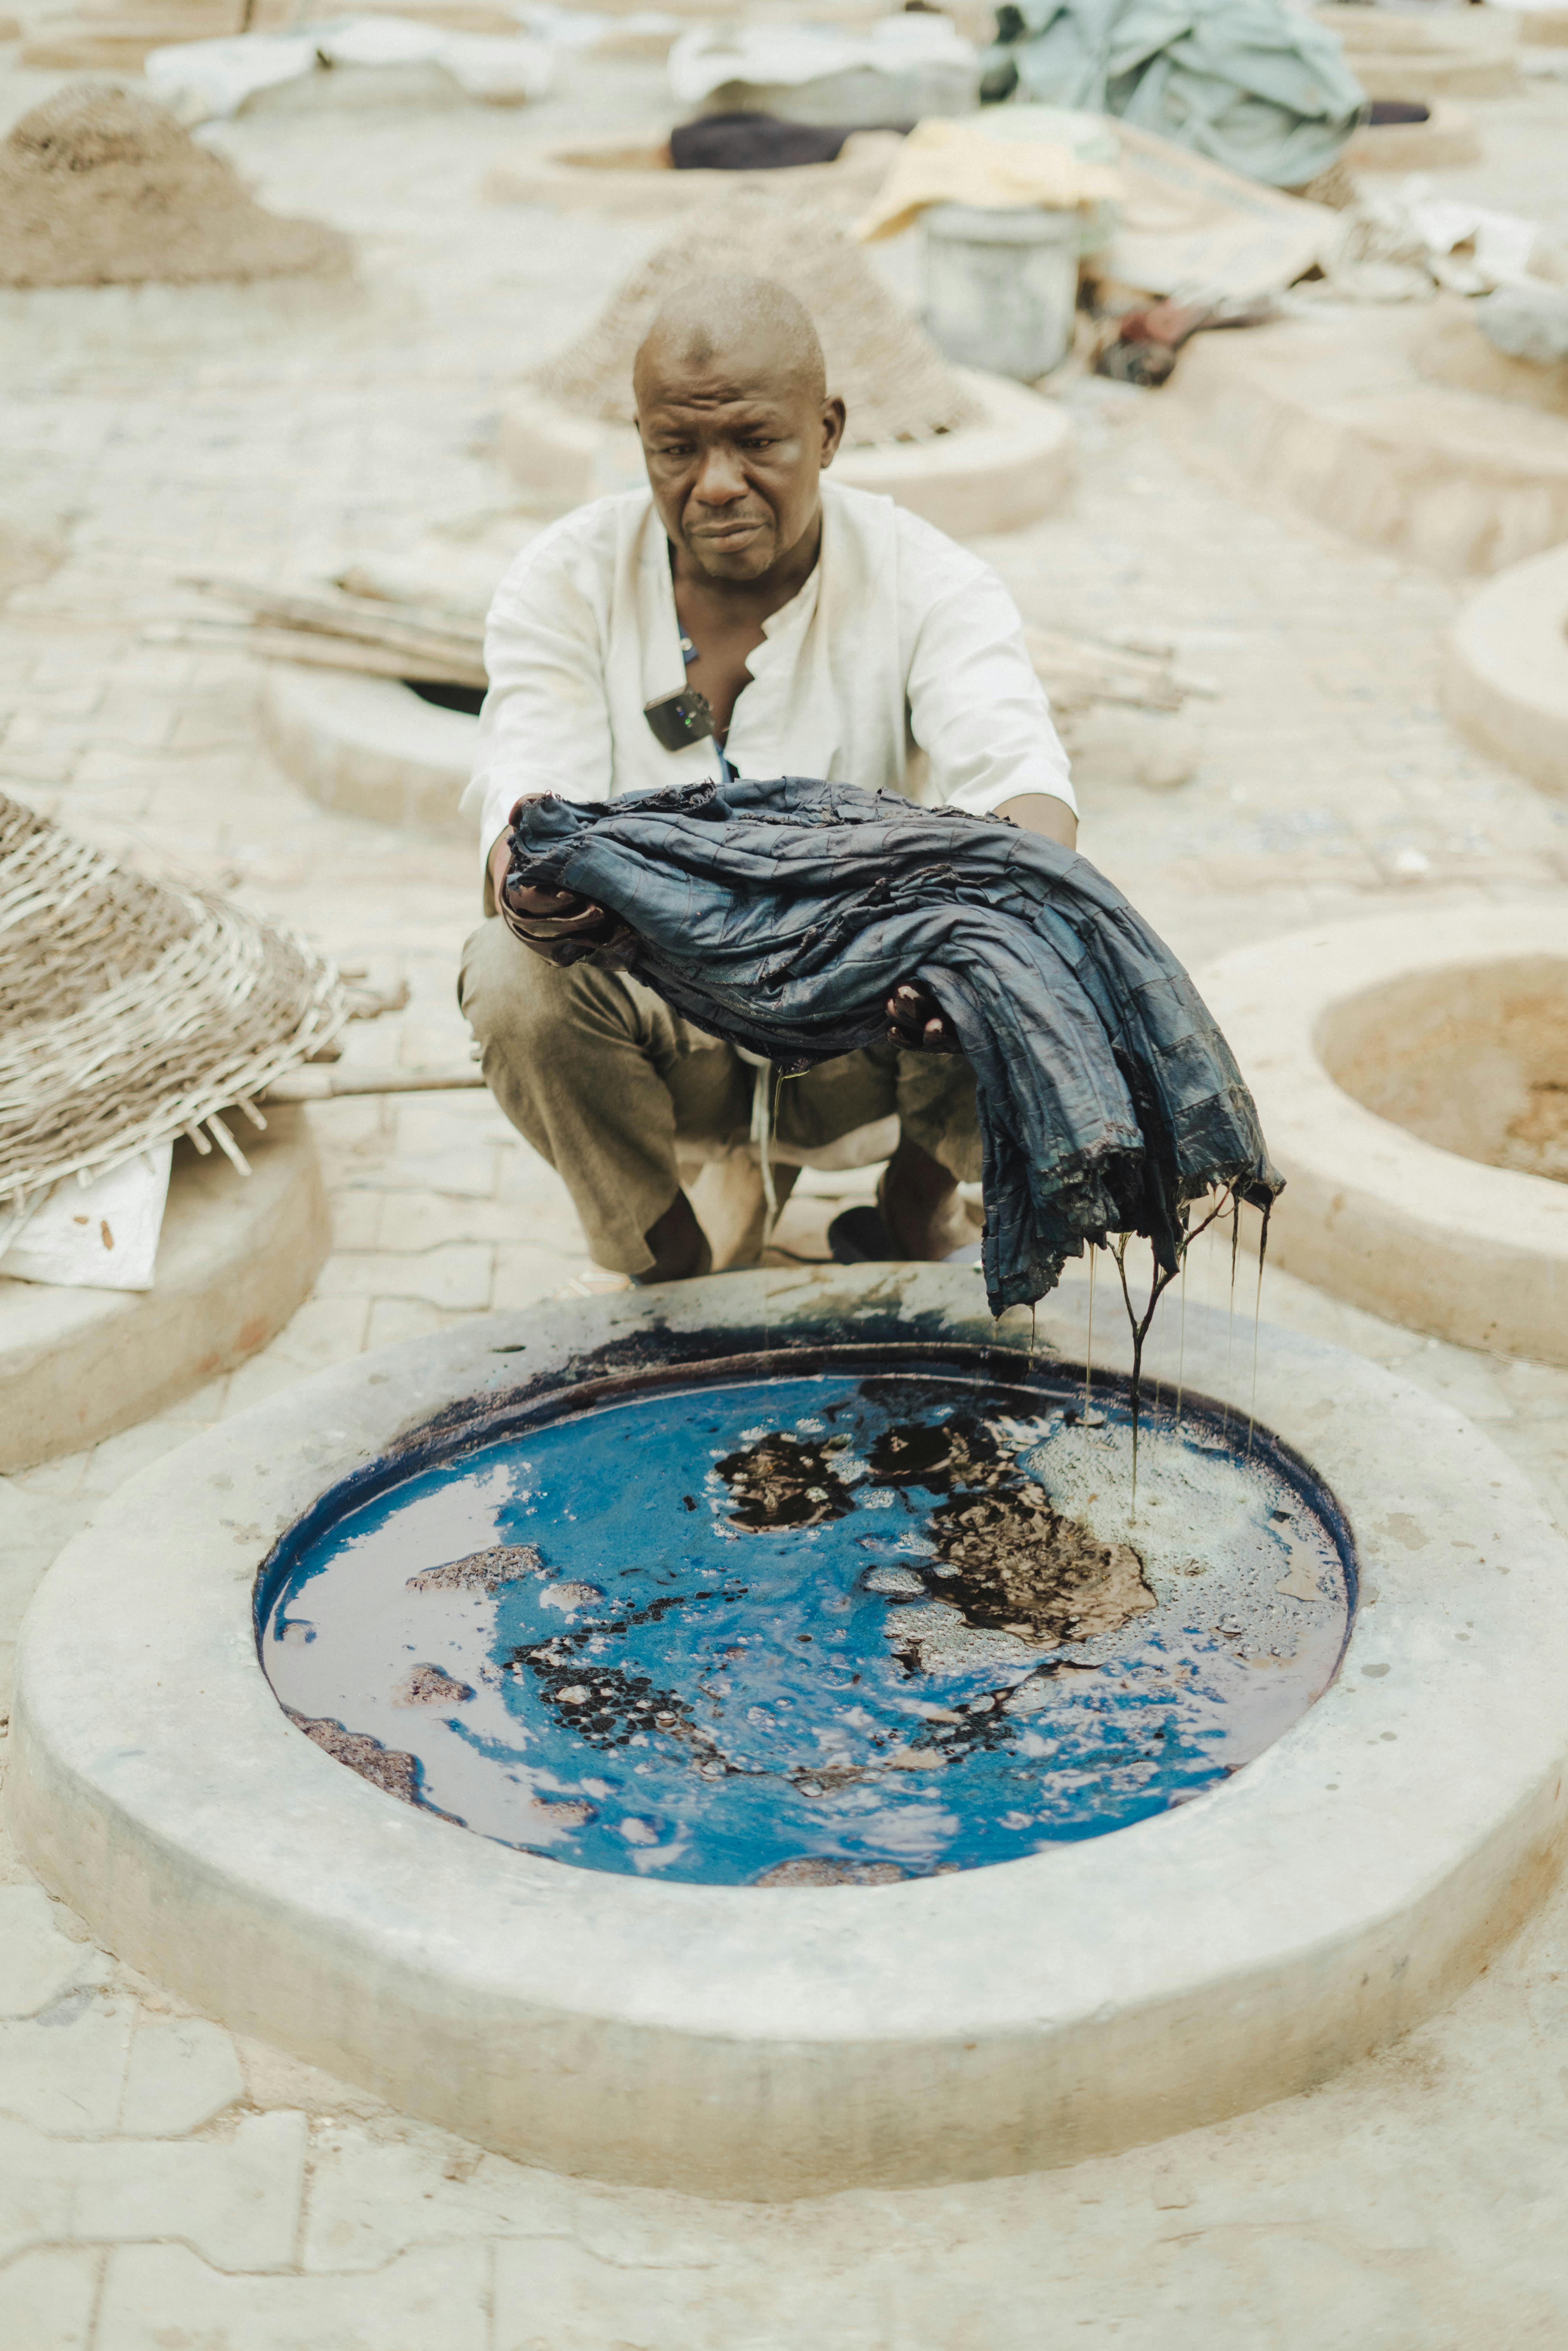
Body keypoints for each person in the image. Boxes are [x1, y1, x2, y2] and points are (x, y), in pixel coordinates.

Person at [459, 272, 1077, 1283]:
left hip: (875, 1032)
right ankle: (672, 1272)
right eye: (677, 448)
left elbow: (1019, 771)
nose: (714, 483)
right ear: (642, 441)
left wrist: (991, 923)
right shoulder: (563, 581)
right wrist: (535, 877)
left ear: (826, 432)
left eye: (756, 443)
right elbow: (526, 779)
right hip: (673, 1025)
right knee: (512, 977)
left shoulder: (930, 581)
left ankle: (916, 1201)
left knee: (1031, 910)